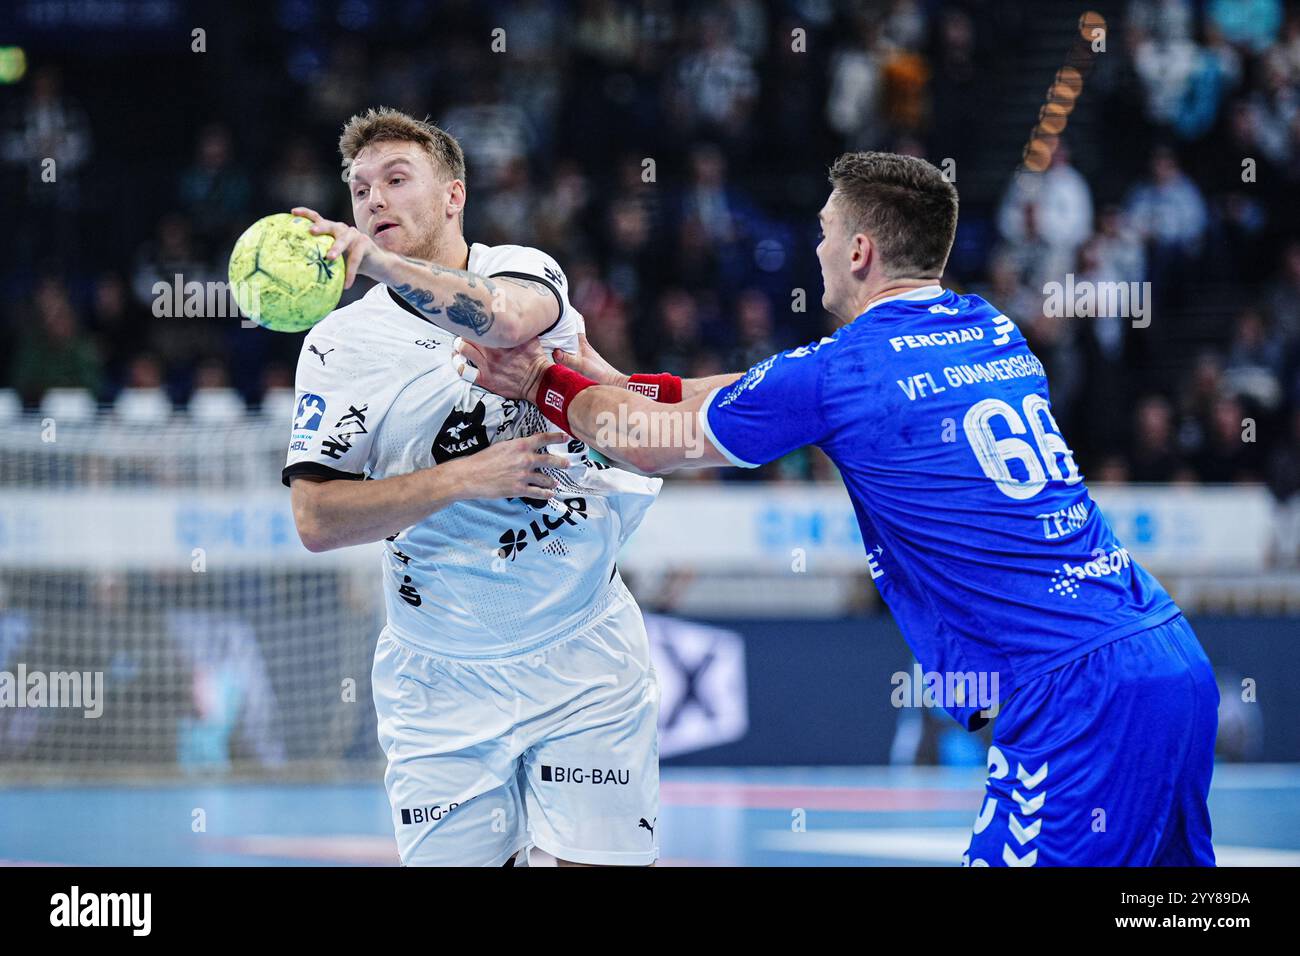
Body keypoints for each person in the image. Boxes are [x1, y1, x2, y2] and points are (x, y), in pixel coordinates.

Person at [466, 151, 1220, 867]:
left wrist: (540, 384)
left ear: (859, 252)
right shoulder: (991, 328)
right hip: (1168, 658)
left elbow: (646, 443)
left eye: (825, 233)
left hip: (1075, 694)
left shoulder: (841, 372)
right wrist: (590, 368)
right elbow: (724, 392)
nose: (816, 249)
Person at [284, 107, 661, 867]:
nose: (374, 202)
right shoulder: (339, 344)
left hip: (582, 651)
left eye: (396, 180)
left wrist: (380, 266)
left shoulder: (523, 267)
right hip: (438, 678)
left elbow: (498, 316)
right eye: (359, 191)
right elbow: (317, 518)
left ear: (454, 195)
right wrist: (464, 478)